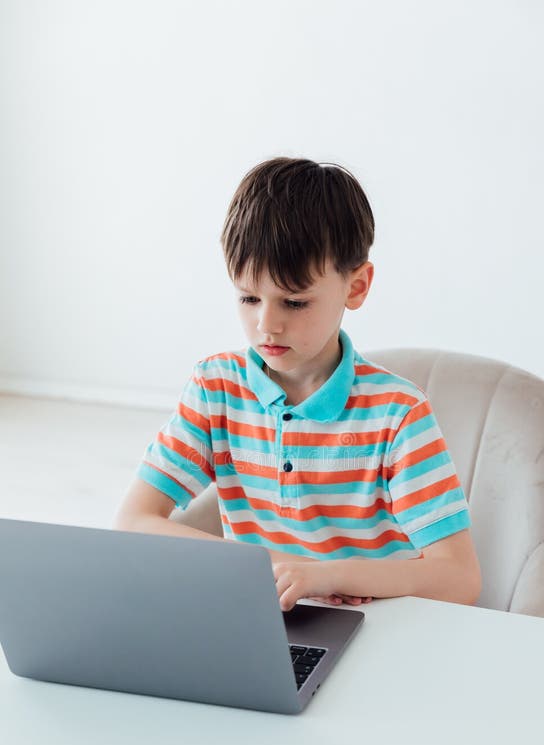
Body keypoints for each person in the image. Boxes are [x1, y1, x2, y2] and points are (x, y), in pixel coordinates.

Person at [114, 156, 481, 611]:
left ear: (356, 286)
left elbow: (458, 576)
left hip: (374, 627)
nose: (266, 324)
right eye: (248, 297)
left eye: (294, 302)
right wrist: (264, 565)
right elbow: (134, 519)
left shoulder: (398, 414)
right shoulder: (215, 389)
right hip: (262, 621)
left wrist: (322, 575)